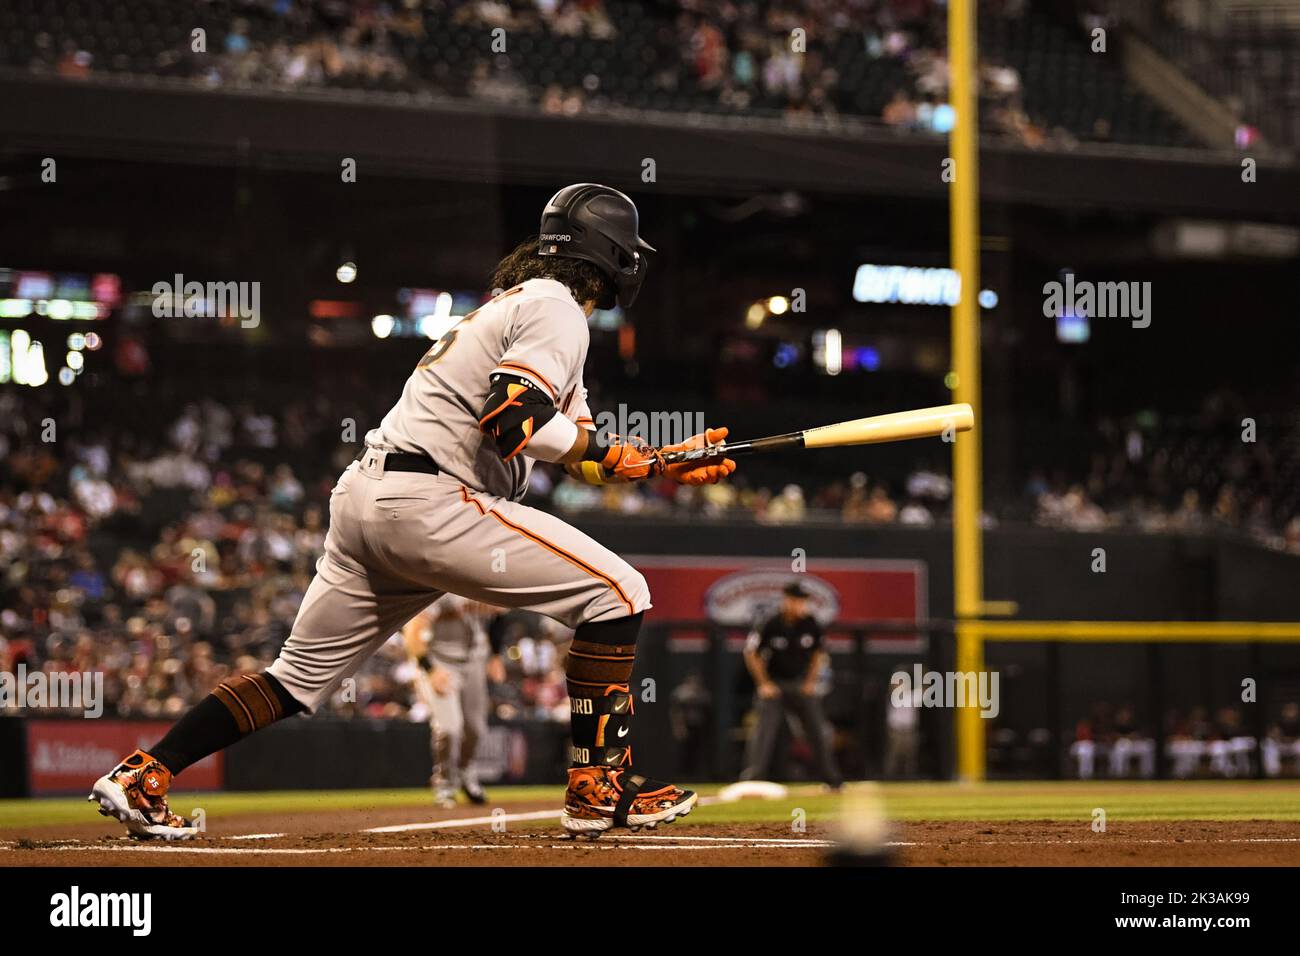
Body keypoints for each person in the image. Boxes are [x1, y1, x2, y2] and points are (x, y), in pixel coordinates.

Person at [89, 183, 736, 839]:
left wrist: (661, 460)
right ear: (612, 253)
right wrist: (613, 450)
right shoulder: (558, 310)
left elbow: (576, 451)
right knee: (620, 592)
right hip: (432, 500)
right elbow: (512, 419)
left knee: (294, 679)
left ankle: (146, 773)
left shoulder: (528, 305)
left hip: (370, 500)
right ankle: (597, 787)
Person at [401, 596, 505, 807]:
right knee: (449, 728)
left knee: (476, 728)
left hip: (474, 659)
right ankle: (445, 783)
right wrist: (429, 669)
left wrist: (495, 655)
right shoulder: (434, 587)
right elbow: (412, 632)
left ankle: (466, 772)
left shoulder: (474, 580)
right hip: (439, 662)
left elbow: (500, 614)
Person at [740, 581, 842, 788]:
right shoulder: (770, 622)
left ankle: (832, 781)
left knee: (818, 731)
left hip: (800, 685)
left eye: (804, 602)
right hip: (775, 685)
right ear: (787, 600)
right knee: (763, 732)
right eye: (797, 601)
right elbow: (751, 653)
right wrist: (764, 684)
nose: (801, 606)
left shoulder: (810, 623)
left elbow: (818, 655)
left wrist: (810, 682)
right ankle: (752, 780)